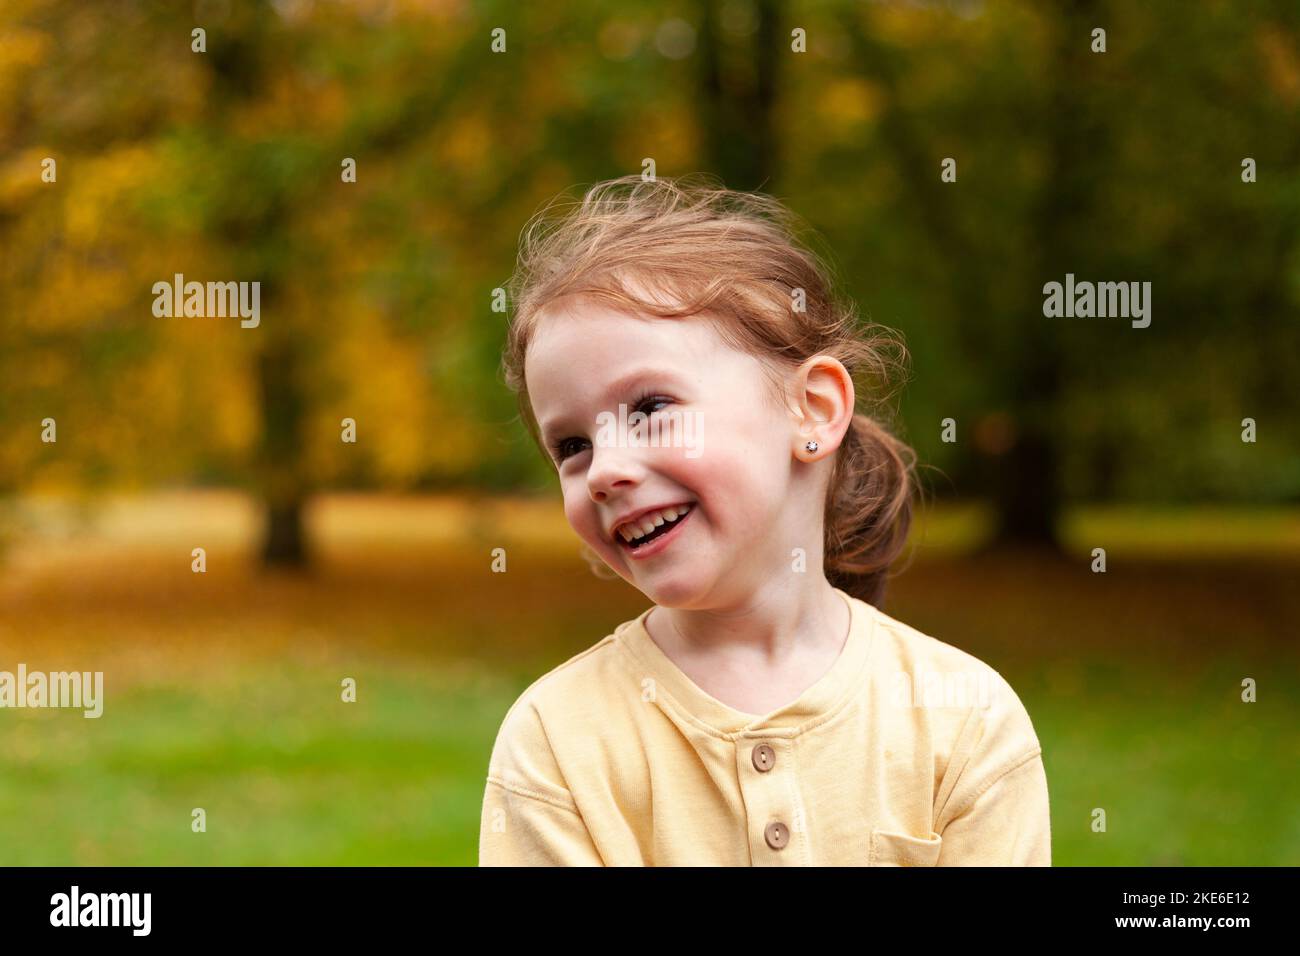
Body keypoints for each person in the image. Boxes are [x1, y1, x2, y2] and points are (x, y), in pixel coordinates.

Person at [479, 173, 1050, 866]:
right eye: (573, 445)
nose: (604, 470)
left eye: (651, 409)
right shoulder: (556, 743)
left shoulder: (966, 719)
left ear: (811, 410)